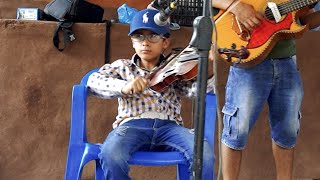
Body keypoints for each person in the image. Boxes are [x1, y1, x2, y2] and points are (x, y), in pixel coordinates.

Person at [87, 8, 215, 180]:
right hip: (131, 125)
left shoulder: (175, 70)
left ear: (165, 42)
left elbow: (195, 92)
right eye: (139, 37)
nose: (145, 43)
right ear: (132, 42)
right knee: (111, 154)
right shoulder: (122, 66)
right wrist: (124, 86)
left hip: (170, 127)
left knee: (204, 154)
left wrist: (208, 70)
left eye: (153, 36)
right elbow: (93, 81)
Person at [211, 0, 314, 179]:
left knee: (287, 130)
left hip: (287, 61)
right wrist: (235, 6)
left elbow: (302, 19)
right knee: (237, 129)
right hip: (247, 58)